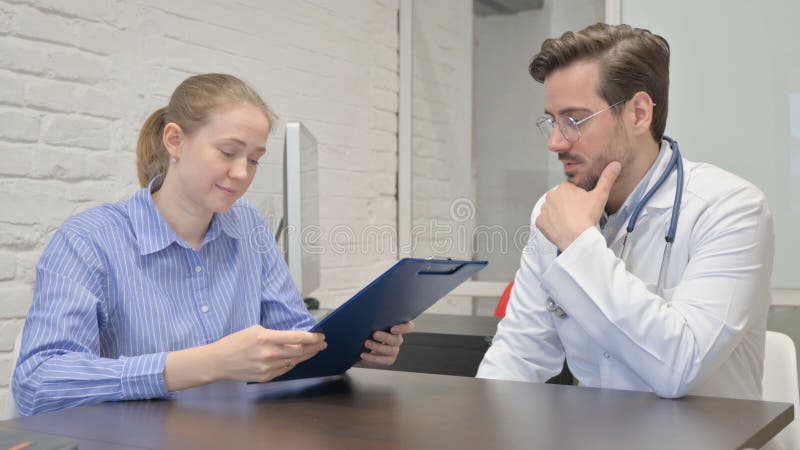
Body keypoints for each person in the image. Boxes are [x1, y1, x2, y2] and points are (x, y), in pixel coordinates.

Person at [13, 73, 414, 416]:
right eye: (227, 152)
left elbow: (292, 333)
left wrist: (352, 345)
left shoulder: (250, 227)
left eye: (254, 159)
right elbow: (38, 383)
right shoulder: (89, 240)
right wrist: (211, 363)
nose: (241, 173)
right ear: (175, 140)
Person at [477, 23, 774, 401]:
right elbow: (518, 355)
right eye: (552, 121)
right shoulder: (554, 210)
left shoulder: (730, 209)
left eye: (574, 120)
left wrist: (579, 243)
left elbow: (681, 369)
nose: (555, 142)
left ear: (638, 114)